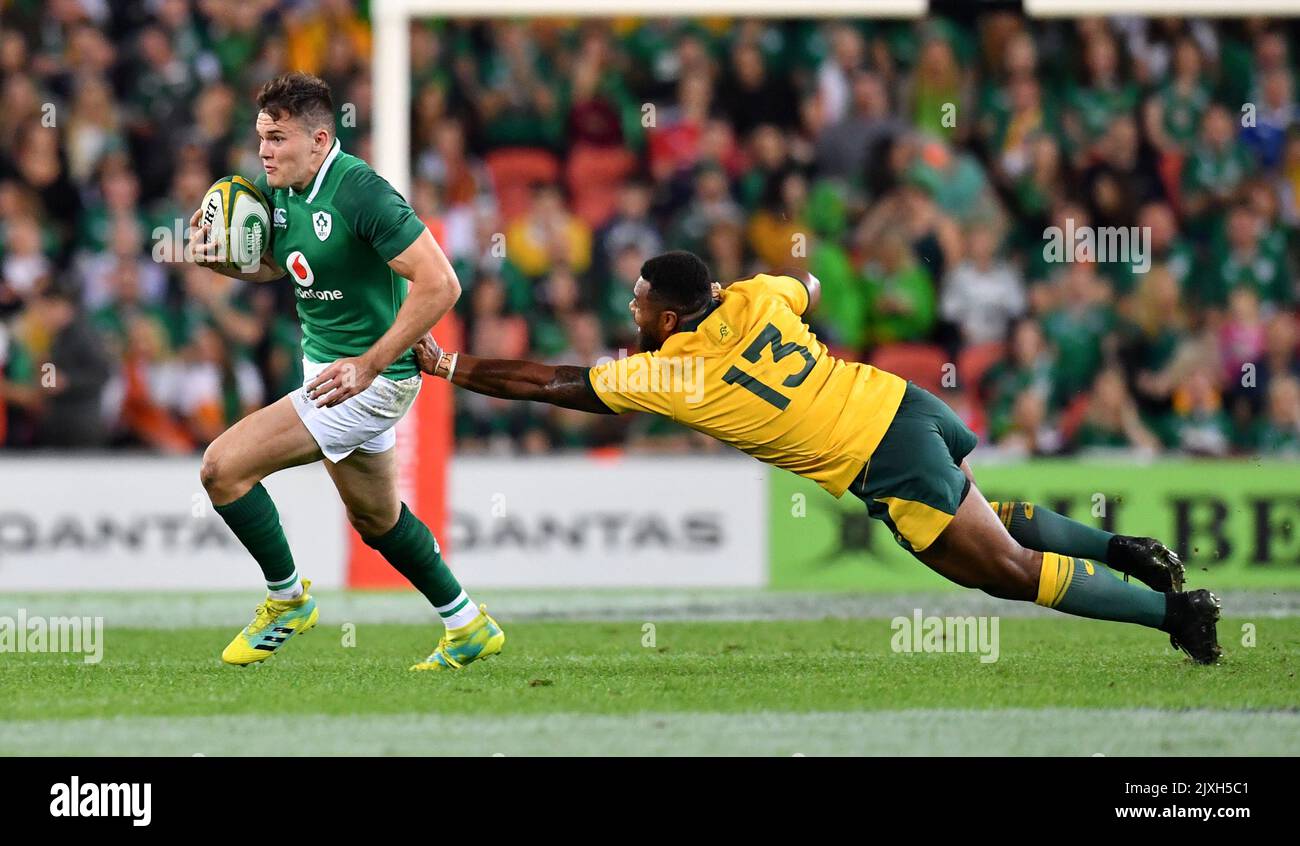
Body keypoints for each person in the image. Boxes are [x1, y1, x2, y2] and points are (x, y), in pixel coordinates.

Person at [417, 250, 1221, 664]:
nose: (630, 309)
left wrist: (453, 367)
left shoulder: (667, 376)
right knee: (989, 518)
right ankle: (1128, 552)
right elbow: (804, 281)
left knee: (1003, 571)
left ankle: (1176, 616)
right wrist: (743, 295)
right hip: (900, 400)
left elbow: (553, 382)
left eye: (638, 303)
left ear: (666, 317)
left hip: (879, 456)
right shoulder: (756, 296)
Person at [189, 72, 503, 671]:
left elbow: (442, 283)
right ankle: (466, 623)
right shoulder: (280, 191)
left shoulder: (361, 192)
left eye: (277, 138)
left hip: (370, 380)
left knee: (221, 469)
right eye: (261, 137)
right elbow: (289, 267)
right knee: (376, 519)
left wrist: (369, 363)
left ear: (319, 138)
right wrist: (225, 264)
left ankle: (287, 600)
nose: (264, 151)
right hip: (336, 373)